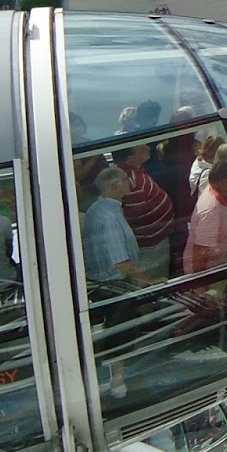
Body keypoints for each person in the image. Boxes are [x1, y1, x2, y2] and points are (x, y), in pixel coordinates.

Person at [82, 167, 158, 398]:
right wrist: (149, 281)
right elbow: (121, 263)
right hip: (114, 286)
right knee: (119, 335)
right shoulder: (109, 217)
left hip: (98, 282)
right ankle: (118, 382)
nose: (130, 183)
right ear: (114, 186)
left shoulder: (97, 209)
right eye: (125, 180)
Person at [114, 144, 175, 278]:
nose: (148, 148)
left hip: (157, 236)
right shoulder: (130, 181)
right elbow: (129, 217)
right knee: (155, 278)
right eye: (142, 149)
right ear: (130, 157)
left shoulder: (132, 172)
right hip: (151, 244)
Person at [185, 160, 227, 275]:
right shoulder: (211, 211)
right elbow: (200, 251)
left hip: (225, 263)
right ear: (224, 181)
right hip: (211, 272)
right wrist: (200, 284)